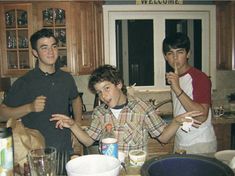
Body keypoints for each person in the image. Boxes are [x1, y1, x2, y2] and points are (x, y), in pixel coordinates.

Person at [50, 64, 202, 155]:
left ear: (118, 84)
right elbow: (88, 141)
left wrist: (176, 122)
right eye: (99, 92)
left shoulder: (142, 108)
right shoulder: (99, 112)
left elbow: (163, 137)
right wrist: (72, 125)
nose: (103, 95)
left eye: (107, 88)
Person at [0, 28, 83, 174]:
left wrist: (77, 124)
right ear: (35, 53)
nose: (51, 51)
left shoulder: (66, 78)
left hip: (65, 150)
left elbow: (76, 99)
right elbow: (2, 113)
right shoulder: (25, 82)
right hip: (38, 154)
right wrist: (30, 107)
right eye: (44, 47)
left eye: (54, 46)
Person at [163, 32, 217, 154]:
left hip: (200, 144)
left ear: (188, 54)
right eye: (170, 53)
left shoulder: (200, 78)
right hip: (181, 141)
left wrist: (177, 89)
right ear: (166, 57)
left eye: (180, 52)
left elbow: (202, 116)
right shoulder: (175, 78)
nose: (175, 58)